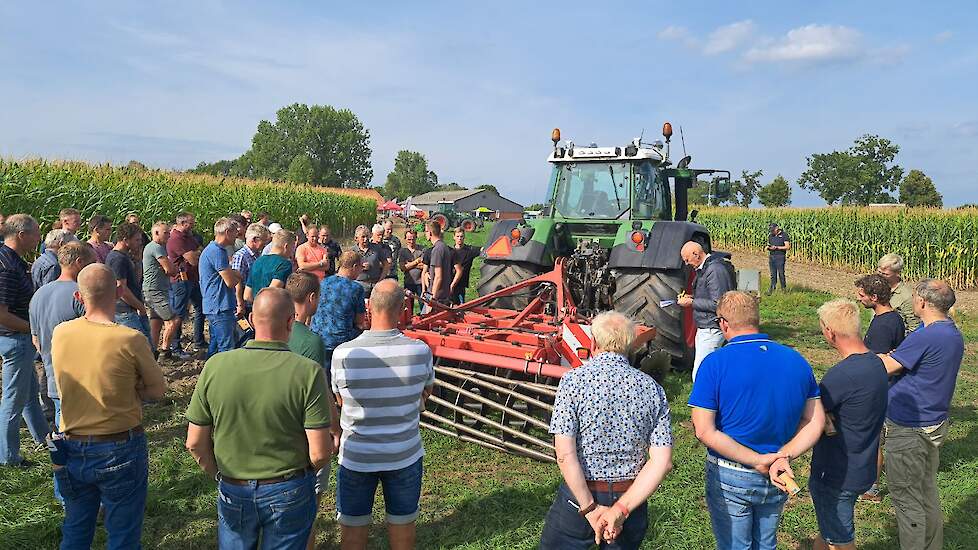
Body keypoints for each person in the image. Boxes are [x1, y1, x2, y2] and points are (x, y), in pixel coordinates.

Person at [185, 287, 333, 550]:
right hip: (288, 486)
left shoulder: (215, 366)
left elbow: (194, 442)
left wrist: (219, 474)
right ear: (291, 321)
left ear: (252, 320)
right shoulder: (308, 372)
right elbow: (320, 453)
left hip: (233, 485)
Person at [688, 291, 824, 550]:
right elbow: (814, 420)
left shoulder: (714, 363)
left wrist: (757, 460)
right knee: (766, 543)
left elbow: (704, 430)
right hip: (778, 470)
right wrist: (783, 455)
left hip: (732, 471)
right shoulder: (796, 360)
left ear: (724, 323)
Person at [52, 263, 166, 548]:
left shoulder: (61, 333)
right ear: (118, 292)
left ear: (79, 297)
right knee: (123, 532)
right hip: (119, 445)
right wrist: (131, 386)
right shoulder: (130, 338)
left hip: (71, 443)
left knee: (76, 527)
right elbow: (157, 390)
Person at [540, 311, 674, 549]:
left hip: (580, 495)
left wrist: (589, 508)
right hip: (630, 497)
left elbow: (564, 453)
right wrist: (621, 510)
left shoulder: (573, 382)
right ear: (631, 346)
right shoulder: (652, 389)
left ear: (593, 343)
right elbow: (662, 462)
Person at [331, 279, 434, 550]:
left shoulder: (343, 354)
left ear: (368, 308)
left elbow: (341, 400)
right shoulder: (420, 351)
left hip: (357, 456)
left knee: (352, 534)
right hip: (404, 454)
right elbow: (425, 394)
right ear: (402, 310)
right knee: (403, 533)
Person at [876, 279, 963, 550]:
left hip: (909, 426)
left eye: (914, 296)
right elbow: (909, 359)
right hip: (933, 421)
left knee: (906, 497)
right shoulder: (950, 332)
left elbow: (888, 366)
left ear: (923, 302)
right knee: (926, 492)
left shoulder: (927, 335)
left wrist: (866, 359)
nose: (912, 300)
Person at [808, 299, 888, 550]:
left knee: (841, 542)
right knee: (829, 529)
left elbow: (814, 414)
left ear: (830, 332)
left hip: (836, 473)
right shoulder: (875, 363)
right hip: (861, 465)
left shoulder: (841, 375)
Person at [286, 271, 343, 549]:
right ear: (312, 298)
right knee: (309, 507)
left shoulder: (274, 332)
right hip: (304, 430)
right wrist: (335, 429)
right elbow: (321, 392)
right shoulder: (311, 342)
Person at [30, 242, 96, 428]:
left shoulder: (39, 294)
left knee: (62, 423)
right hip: (81, 381)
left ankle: (60, 454)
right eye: (91, 263)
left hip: (53, 377)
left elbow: (36, 340)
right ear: (79, 262)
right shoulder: (81, 293)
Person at [0, 214, 46, 467]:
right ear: (21, 235)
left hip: (19, 339)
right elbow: (2, 314)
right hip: (15, 339)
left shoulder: (12, 260)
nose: (38, 238)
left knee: (29, 394)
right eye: (35, 233)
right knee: (13, 399)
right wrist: (33, 328)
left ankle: (45, 439)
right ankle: (8, 458)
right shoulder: (6, 266)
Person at [678, 241, 735, 380]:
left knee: (700, 374)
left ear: (696, 254)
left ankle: (701, 401)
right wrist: (693, 297)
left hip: (712, 327)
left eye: (687, 259)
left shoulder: (714, 270)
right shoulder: (705, 268)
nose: (686, 263)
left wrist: (691, 302)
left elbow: (719, 303)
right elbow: (710, 294)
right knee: (710, 371)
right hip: (705, 326)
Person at [310, 251, 367, 366]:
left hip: (317, 337)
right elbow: (359, 321)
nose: (361, 270)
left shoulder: (323, 282)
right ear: (355, 266)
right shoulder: (356, 288)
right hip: (341, 340)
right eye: (361, 267)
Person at [199, 218, 242, 357]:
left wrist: (233, 273)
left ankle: (209, 372)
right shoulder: (217, 252)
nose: (237, 235)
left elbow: (228, 274)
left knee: (216, 345)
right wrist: (239, 275)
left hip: (215, 305)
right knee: (226, 348)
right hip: (219, 306)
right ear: (227, 232)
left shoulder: (215, 250)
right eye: (235, 232)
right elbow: (230, 281)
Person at [143, 221, 185, 360]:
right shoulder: (157, 248)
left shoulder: (157, 247)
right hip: (155, 291)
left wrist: (169, 268)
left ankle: (152, 351)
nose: (168, 236)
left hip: (157, 289)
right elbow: (170, 270)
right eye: (165, 233)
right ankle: (165, 351)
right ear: (156, 233)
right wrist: (171, 268)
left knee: (156, 322)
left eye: (169, 232)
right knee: (173, 320)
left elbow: (168, 268)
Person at [168, 211, 207, 354]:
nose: (193, 225)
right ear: (183, 224)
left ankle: (199, 341)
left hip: (192, 278)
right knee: (179, 313)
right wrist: (195, 253)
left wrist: (195, 253)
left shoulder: (189, 236)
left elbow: (200, 250)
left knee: (201, 308)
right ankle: (175, 346)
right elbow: (193, 259)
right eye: (191, 223)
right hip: (181, 280)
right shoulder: (176, 239)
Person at [106, 222, 151, 344]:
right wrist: (140, 307)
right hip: (124, 311)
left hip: (128, 309)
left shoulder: (123, 256)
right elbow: (122, 289)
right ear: (125, 240)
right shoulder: (117, 259)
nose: (140, 243)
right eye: (137, 240)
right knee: (141, 347)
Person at [855, 274, 905, 354]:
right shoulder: (893, 317)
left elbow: (876, 361)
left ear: (874, 297)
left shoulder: (883, 326)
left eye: (862, 295)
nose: (858, 299)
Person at [232, 223, 270, 316]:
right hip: (246, 304)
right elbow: (237, 282)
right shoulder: (240, 256)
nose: (265, 244)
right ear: (255, 240)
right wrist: (240, 304)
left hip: (255, 302)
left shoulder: (257, 255)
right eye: (264, 241)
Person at [877, 253, 921, 333]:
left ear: (897, 273)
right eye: (879, 272)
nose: (881, 276)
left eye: (885, 274)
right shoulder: (877, 288)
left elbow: (914, 328)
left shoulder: (907, 297)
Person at [246, 229, 295, 301]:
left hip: (256, 309)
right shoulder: (284, 264)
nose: (293, 250)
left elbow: (247, 295)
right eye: (292, 247)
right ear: (286, 246)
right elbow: (271, 294)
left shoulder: (257, 261)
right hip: (275, 310)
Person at [353, 224, 390, 297]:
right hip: (359, 284)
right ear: (356, 238)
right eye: (363, 237)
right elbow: (348, 268)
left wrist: (381, 280)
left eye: (367, 236)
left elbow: (386, 265)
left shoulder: (377, 248)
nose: (366, 239)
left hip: (375, 284)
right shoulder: (353, 251)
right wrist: (360, 266)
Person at [425, 221, 453, 304]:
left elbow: (438, 276)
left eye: (426, 231)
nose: (425, 233)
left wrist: (432, 298)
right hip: (444, 294)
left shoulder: (437, 249)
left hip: (438, 297)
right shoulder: (444, 247)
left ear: (430, 233)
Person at [449, 228, 479, 304]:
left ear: (464, 237)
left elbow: (483, 249)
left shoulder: (470, 251)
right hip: (449, 283)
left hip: (461, 284)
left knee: (461, 307)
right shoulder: (449, 251)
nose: (459, 238)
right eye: (457, 236)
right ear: (454, 237)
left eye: (461, 236)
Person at [398, 229, 425, 307]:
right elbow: (402, 267)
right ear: (405, 239)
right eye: (409, 239)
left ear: (416, 237)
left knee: (423, 304)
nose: (411, 241)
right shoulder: (403, 251)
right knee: (408, 306)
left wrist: (409, 265)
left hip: (420, 282)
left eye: (413, 239)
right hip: (408, 282)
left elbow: (424, 266)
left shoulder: (422, 249)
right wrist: (416, 262)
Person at [766, 223, 790, 294]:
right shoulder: (770, 236)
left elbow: (787, 247)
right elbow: (769, 244)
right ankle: (772, 289)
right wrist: (768, 248)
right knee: (773, 274)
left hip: (780, 257)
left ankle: (783, 289)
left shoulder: (784, 235)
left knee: (781, 274)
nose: (772, 231)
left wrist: (777, 247)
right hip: (772, 257)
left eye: (773, 230)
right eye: (771, 230)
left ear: (777, 228)